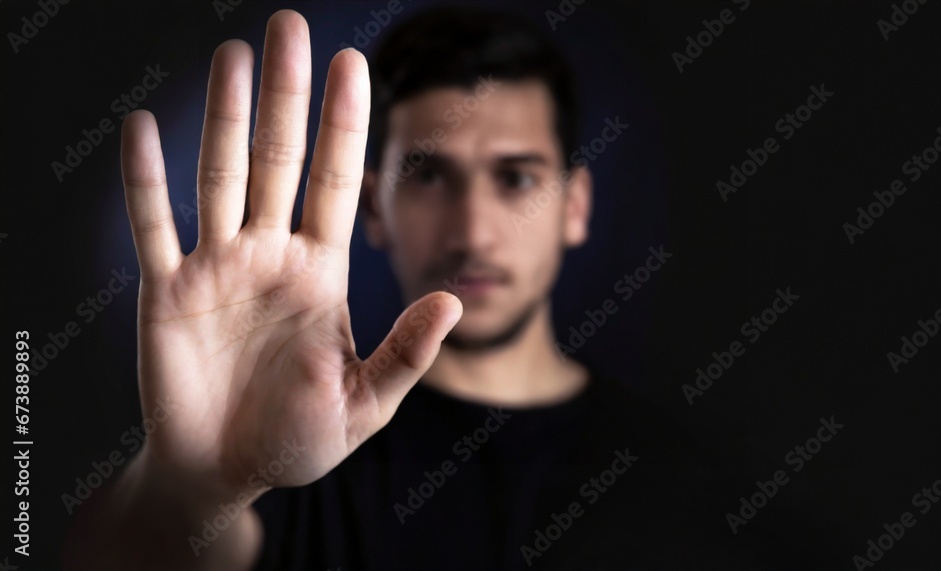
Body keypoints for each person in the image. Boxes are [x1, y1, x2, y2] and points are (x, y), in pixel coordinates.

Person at [66, 6, 788, 570]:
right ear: (374, 209)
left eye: (516, 178)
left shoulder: (690, 487)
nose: (473, 231)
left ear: (575, 206)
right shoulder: (290, 445)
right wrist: (196, 484)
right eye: (430, 175)